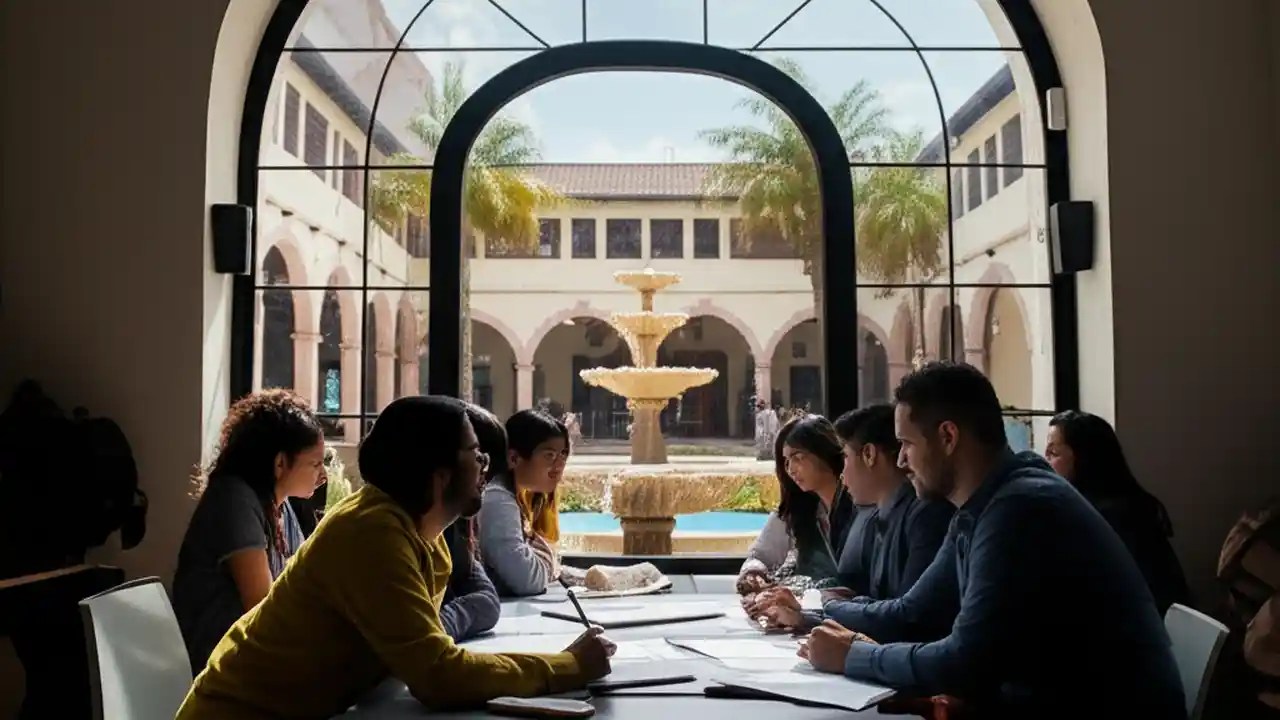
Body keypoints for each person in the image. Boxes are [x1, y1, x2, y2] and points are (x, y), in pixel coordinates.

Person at [176, 396, 615, 719]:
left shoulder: (424, 534)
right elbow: (437, 677)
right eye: (474, 454)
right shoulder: (374, 533)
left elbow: (426, 659)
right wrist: (568, 665)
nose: (486, 466)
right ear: (438, 473)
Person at [803, 363, 1185, 718]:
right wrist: (816, 617)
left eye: (907, 443)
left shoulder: (1020, 509)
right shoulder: (984, 503)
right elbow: (915, 612)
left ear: (948, 436)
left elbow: (964, 661)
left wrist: (856, 656)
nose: (901, 460)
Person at [760, 404, 953, 632]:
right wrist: (809, 615)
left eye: (845, 457)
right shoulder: (880, 517)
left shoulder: (925, 517)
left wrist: (823, 605)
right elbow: (870, 603)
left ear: (869, 455)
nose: (842, 472)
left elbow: (907, 618)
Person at [172, 389, 326, 672]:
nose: (323, 475)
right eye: (315, 464)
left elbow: (303, 582)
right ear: (280, 463)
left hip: (252, 660)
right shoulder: (234, 500)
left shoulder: (279, 504)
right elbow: (263, 609)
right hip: (221, 669)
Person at [1046, 410, 1191, 614]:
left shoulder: (1113, 518)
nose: (1045, 462)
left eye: (1053, 453)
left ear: (1084, 457)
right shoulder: (1099, 508)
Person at [738, 416, 855, 606]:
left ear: (825, 454)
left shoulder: (860, 504)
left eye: (798, 458)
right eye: (786, 460)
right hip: (810, 612)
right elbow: (760, 556)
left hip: (850, 612)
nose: (791, 469)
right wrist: (754, 575)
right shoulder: (799, 509)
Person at [478, 409, 570, 597]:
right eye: (550, 455)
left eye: (563, 454)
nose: (560, 465)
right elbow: (526, 580)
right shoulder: (497, 500)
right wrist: (547, 562)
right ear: (514, 458)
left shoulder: (514, 496)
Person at [438, 403, 504, 642]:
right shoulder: (389, 533)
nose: (484, 482)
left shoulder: (442, 527)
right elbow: (421, 645)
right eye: (478, 459)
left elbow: (487, 599)